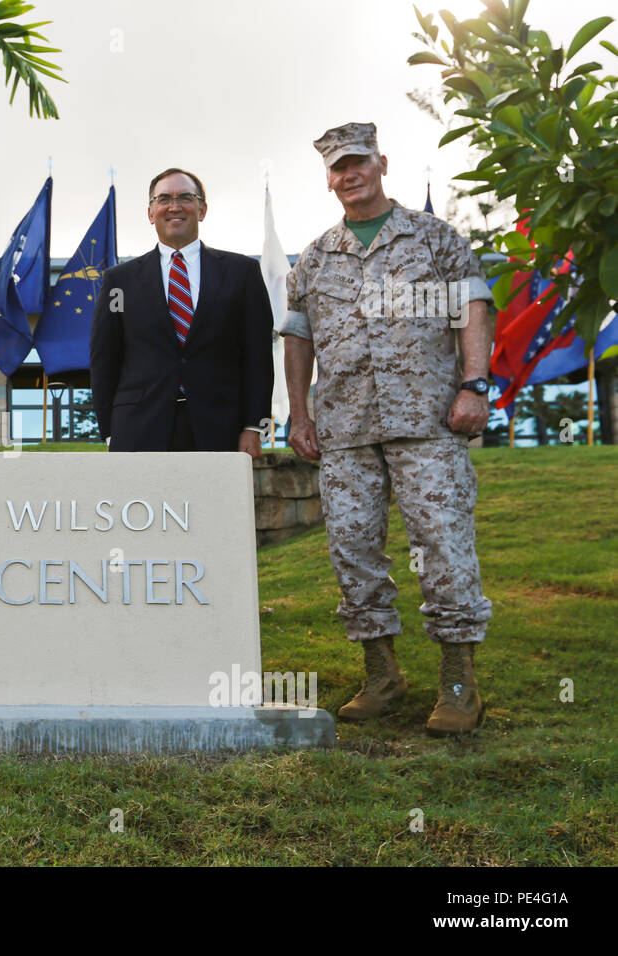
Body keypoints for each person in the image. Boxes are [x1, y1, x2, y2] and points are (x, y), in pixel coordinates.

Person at [282, 122, 495, 736]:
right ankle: (382, 674)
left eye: (357, 163)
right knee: (351, 549)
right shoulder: (316, 256)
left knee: (443, 546)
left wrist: (473, 385)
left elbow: (472, 308)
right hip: (345, 426)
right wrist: (300, 413)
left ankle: (459, 684)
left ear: (381, 163)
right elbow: (298, 340)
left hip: (428, 419)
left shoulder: (435, 239)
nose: (348, 175)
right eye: (337, 168)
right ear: (328, 179)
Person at [90, 168, 274, 454]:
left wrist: (254, 426)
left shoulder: (243, 274)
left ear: (202, 209)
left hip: (221, 429)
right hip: (137, 431)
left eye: (185, 197)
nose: (174, 206)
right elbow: (105, 360)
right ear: (151, 213)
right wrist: (110, 433)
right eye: (164, 199)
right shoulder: (119, 282)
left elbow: (258, 356)